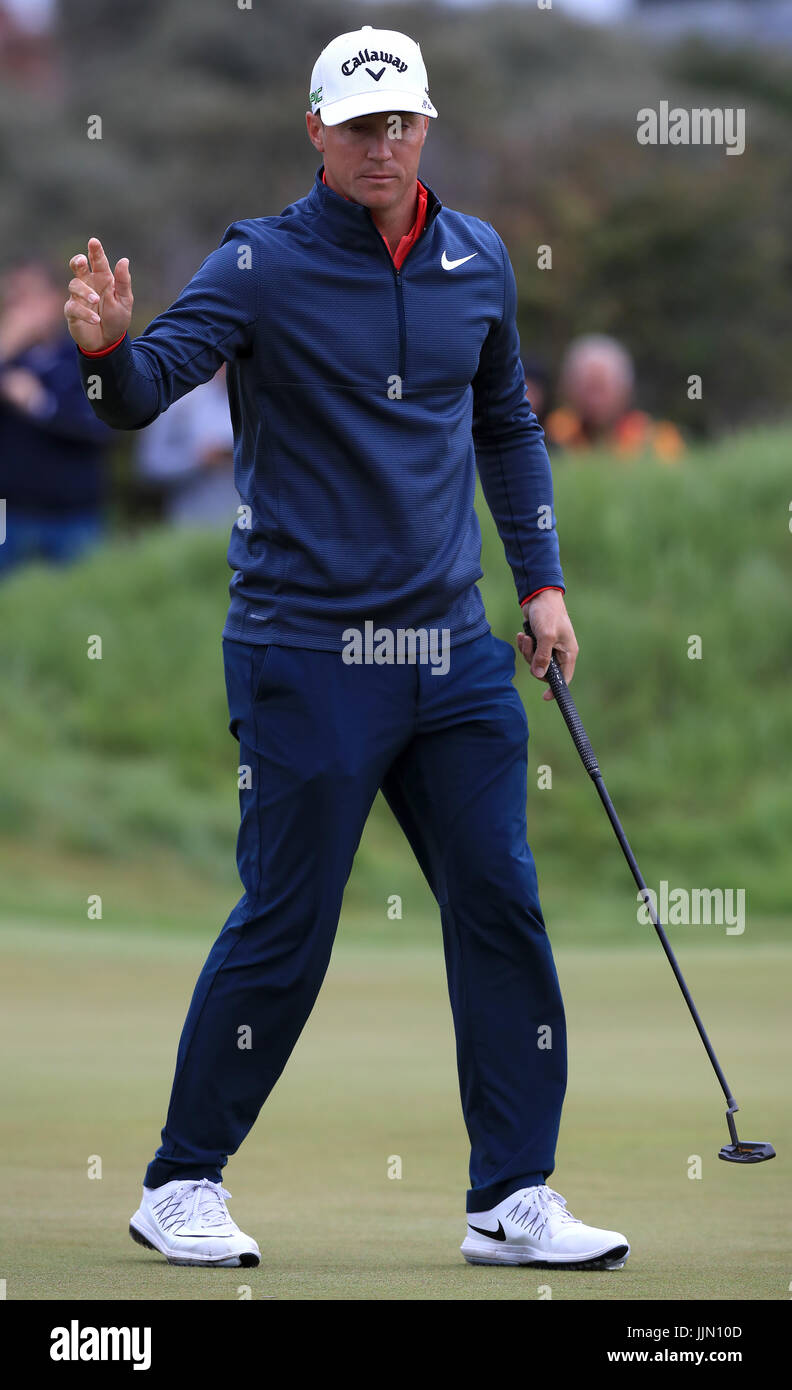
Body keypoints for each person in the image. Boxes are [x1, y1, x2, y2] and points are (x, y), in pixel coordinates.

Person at [64, 24, 630, 1272]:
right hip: (303, 650)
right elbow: (144, 389)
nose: (385, 143)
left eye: (404, 122)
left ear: (427, 127)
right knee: (289, 920)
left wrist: (539, 580)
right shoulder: (258, 263)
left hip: (454, 651)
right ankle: (181, 1181)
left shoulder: (479, 257)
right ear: (315, 130)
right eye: (361, 124)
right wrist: (103, 351)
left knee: (502, 905)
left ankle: (512, 1195)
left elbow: (507, 421)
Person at [0, 259, 112, 575]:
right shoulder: (6, 360)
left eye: (28, 297)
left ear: (54, 301)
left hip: (73, 517)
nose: (18, 309)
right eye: (12, 299)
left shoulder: (83, 356)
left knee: (77, 612)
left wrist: (39, 404)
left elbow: (101, 426)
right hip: (7, 513)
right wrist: (4, 349)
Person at [544, 333, 684, 462]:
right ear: (569, 389)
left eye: (601, 388)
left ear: (625, 389)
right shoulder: (554, 433)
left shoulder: (654, 438)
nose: (594, 399)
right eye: (588, 388)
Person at [135, 365, 239, 527]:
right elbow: (149, 465)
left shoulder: (260, 402)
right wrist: (198, 460)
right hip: (190, 525)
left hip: (246, 526)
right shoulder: (179, 402)